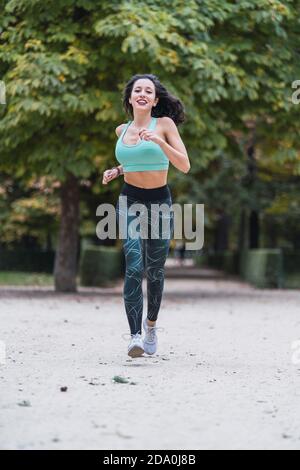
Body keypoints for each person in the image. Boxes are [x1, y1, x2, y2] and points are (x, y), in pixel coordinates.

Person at [102, 73, 190, 358]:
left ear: (154, 100)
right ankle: (135, 336)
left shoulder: (164, 125)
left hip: (159, 202)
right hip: (129, 200)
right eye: (137, 89)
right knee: (133, 264)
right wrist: (117, 170)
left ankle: (151, 325)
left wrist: (159, 141)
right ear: (130, 98)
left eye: (148, 90)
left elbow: (184, 165)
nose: (142, 93)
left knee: (155, 270)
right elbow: (135, 161)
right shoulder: (121, 130)